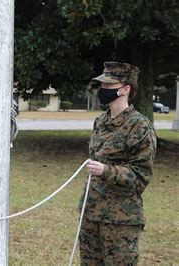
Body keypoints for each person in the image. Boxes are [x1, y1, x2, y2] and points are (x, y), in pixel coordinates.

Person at [80, 61, 157, 265]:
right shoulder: (100, 121)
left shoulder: (139, 126)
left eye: (109, 86)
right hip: (91, 212)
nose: (103, 90)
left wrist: (106, 170)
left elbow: (141, 176)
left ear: (125, 89)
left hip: (120, 218)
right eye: (102, 85)